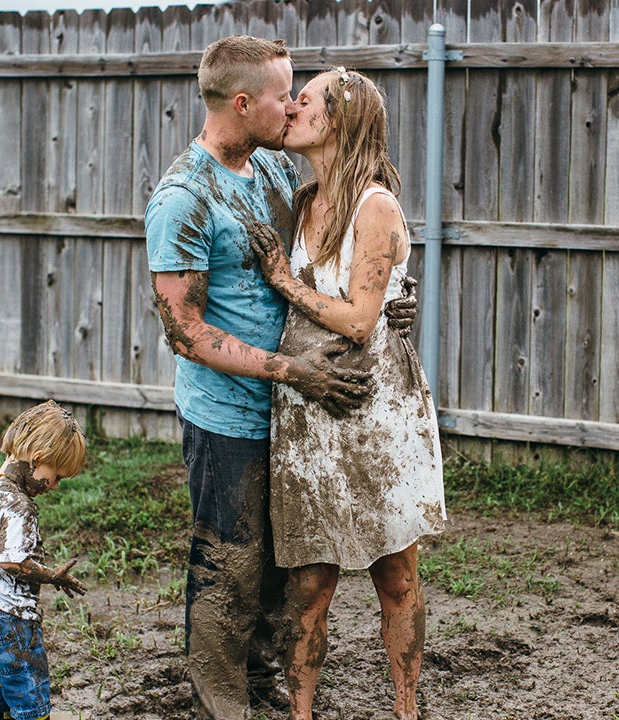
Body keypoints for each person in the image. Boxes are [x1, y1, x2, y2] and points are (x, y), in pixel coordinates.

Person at [145, 35, 415, 720]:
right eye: (282, 95)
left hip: (296, 412)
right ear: (242, 103)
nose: (293, 106)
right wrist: (290, 369)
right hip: (230, 414)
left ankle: (264, 685)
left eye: (299, 95)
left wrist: (390, 299)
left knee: (279, 567)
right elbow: (184, 331)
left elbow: (329, 263)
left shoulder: (270, 169)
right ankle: (222, 703)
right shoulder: (183, 198)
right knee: (229, 566)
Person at [250, 66, 446, 720]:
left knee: (396, 576)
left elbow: (362, 320)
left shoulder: (374, 205)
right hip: (308, 416)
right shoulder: (299, 202)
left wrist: (285, 281)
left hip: (374, 412)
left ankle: (405, 709)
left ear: (337, 119)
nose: (291, 109)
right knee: (308, 585)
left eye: (303, 101)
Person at [0, 399, 89, 720]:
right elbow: (13, 562)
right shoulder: (20, 505)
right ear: (37, 460)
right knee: (31, 705)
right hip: (9, 618)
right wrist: (53, 576)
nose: (54, 486)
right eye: (56, 477)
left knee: (4, 702)